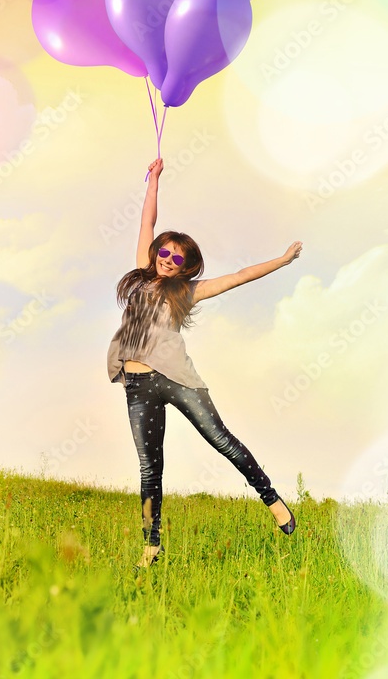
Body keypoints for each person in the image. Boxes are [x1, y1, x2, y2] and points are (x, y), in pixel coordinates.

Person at [107, 157, 302, 571]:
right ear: (155, 252)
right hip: (139, 385)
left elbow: (241, 275)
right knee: (149, 468)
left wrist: (282, 261)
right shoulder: (141, 279)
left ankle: (272, 501)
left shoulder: (188, 292)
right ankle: (152, 544)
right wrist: (154, 180)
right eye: (164, 252)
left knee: (222, 440)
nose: (167, 260)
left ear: (186, 266)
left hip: (179, 381)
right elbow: (147, 218)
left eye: (177, 259)